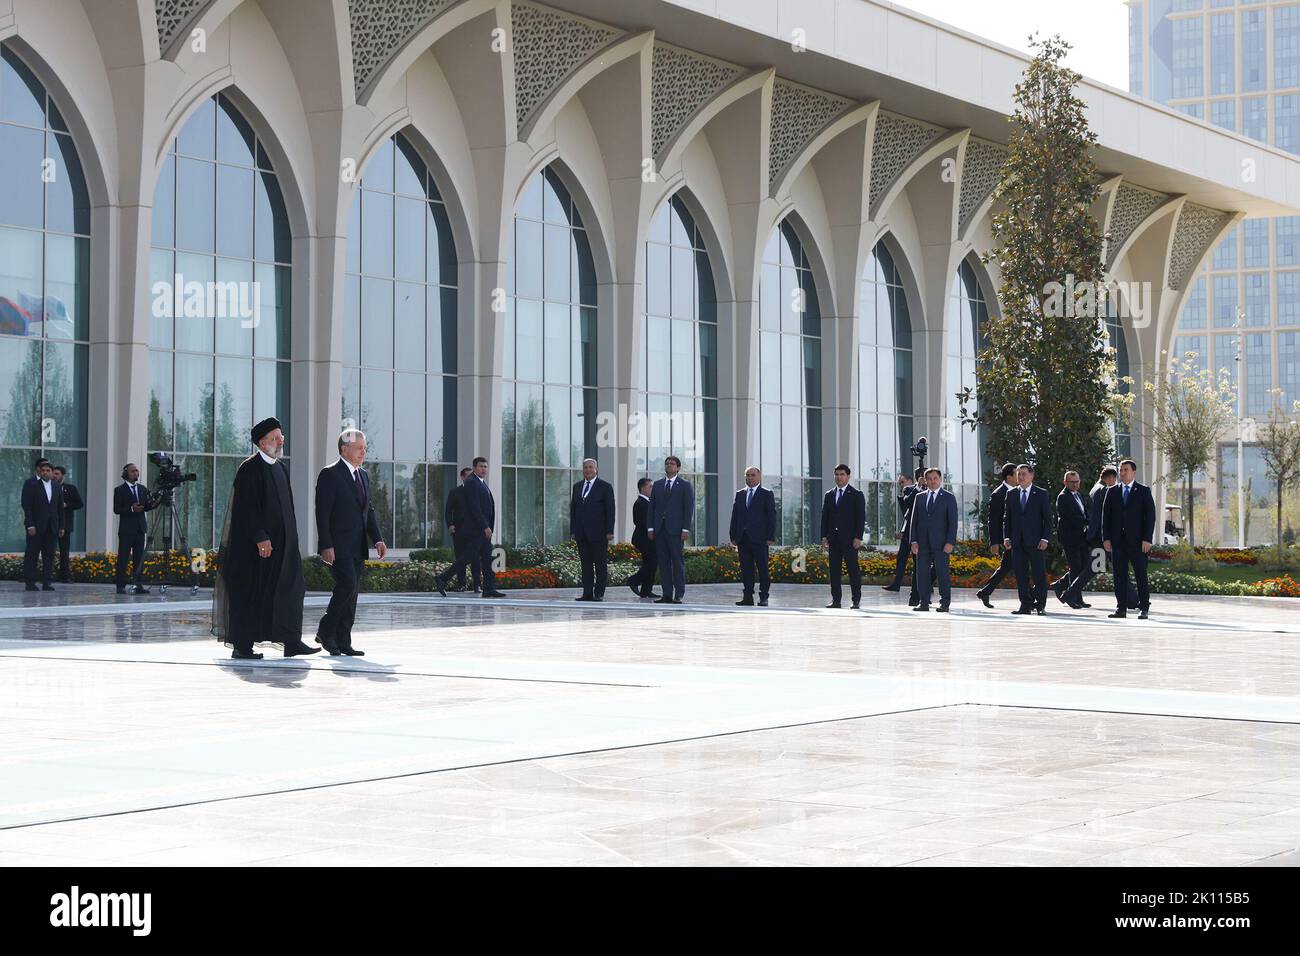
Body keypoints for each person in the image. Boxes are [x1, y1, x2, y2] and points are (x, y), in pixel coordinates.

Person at [212, 417, 319, 660]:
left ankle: (291, 641)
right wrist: (260, 537)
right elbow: (246, 509)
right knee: (252, 592)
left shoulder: (281, 468)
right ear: (262, 443)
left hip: (284, 546)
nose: (281, 441)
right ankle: (243, 646)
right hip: (255, 549)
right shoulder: (249, 469)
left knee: (291, 590)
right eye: (275, 438)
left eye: (281, 437)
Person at [314, 429, 388, 656]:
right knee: (346, 585)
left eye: (365, 448)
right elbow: (323, 512)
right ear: (344, 449)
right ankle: (326, 632)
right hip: (337, 545)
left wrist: (377, 539)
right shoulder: (330, 474)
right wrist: (326, 545)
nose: (363, 452)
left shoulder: (363, 475)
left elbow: (369, 511)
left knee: (352, 591)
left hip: (357, 546)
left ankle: (343, 640)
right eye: (359, 449)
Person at [1102, 458, 1156, 620]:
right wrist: (1106, 538)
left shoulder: (1143, 491)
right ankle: (1121, 608)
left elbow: (1150, 517)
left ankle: (1144, 607)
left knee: (1140, 575)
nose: (1122, 472)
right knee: (1119, 576)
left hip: (1138, 542)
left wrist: (1147, 539)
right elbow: (1106, 517)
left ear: (1133, 472)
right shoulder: (1112, 491)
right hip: (1118, 542)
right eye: (1121, 470)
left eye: (1126, 470)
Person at [1002, 463, 1052, 615]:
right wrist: (1007, 537)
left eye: (1024, 474)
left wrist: (1045, 538)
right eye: (1019, 474)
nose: (1021, 477)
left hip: (1036, 542)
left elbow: (1048, 519)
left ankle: (1040, 605)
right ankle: (1025, 604)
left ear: (1032, 475)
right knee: (1020, 574)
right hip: (1017, 542)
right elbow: (1007, 518)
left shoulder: (1041, 493)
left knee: (1038, 574)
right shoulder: (1011, 494)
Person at [1089, 466, 1139, 610]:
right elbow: (1106, 515)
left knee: (1092, 568)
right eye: (1115, 477)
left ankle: (1069, 590)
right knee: (1118, 568)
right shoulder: (1104, 490)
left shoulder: (1095, 488)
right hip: (1105, 536)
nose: (1115, 481)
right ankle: (1132, 600)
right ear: (1110, 478)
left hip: (1099, 534)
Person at [909, 467, 958, 612]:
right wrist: (913, 540)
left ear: (940, 479)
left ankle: (944, 603)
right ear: (925, 480)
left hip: (942, 543)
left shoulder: (948, 497)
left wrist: (950, 542)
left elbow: (953, 522)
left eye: (935, 478)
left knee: (942, 573)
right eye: (929, 479)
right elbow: (914, 520)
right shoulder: (920, 497)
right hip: (922, 543)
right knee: (922, 573)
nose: (932, 481)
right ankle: (924, 602)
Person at [648, 456, 693, 604]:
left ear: (678, 468)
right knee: (663, 563)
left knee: (677, 563)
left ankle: (678, 594)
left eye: (672, 464)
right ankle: (666, 594)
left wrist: (685, 529)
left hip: (676, 530)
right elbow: (652, 508)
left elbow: (688, 509)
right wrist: (650, 527)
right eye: (667, 463)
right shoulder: (658, 485)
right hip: (660, 530)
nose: (669, 465)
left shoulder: (685, 485)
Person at [729, 466, 776, 606]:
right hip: (743, 538)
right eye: (747, 475)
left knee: (762, 569)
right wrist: (733, 535)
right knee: (746, 569)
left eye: (753, 475)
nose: (750, 478)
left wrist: (770, 536)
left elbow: (771, 517)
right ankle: (748, 596)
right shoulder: (740, 494)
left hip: (760, 538)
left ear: (759, 476)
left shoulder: (766, 494)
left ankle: (763, 597)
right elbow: (735, 516)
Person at [820, 464, 866, 609]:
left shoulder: (856, 494)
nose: (839, 477)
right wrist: (824, 536)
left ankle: (856, 600)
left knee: (853, 571)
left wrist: (858, 537)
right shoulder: (829, 495)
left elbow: (860, 518)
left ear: (848, 476)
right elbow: (825, 517)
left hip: (850, 540)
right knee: (834, 572)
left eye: (842, 474)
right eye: (837, 474)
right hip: (833, 539)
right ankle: (836, 601)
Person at [570, 458, 615, 601]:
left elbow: (610, 510)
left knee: (600, 565)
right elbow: (573, 510)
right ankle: (587, 593)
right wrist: (573, 531)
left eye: (590, 467)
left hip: (599, 533)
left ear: (596, 469)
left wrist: (610, 530)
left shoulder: (605, 487)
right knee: (586, 565)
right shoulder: (577, 487)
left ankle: (599, 593)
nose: (588, 470)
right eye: (585, 467)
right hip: (582, 534)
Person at [975, 462, 1018, 609]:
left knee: (1008, 566)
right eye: (1016, 473)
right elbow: (993, 520)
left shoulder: (1018, 490)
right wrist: (994, 542)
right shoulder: (998, 494)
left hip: (1017, 537)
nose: (1020, 476)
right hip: (1008, 539)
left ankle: (985, 591)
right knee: (1013, 567)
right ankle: (1029, 599)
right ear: (1009, 477)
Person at [462, 456, 506, 598]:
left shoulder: (482, 483)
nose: (484, 469)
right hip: (478, 530)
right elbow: (475, 508)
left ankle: (489, 589)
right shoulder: (472, 482)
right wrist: (485, 526)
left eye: (485, 467)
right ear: (474, 468)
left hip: (484, 531)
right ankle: (443, 578)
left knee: (488, 559)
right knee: (467, 557)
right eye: (481, 466)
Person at [113, 463, 156, 594]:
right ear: (126, 473)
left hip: (139, 528)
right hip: (126, 530)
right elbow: (117, 509)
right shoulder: (119, 490)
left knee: (139, 558)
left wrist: (154, 503)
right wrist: (131, 508)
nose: (136, 473)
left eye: (137, 471)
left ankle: (138, 584)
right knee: (123, 558)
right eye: (133, 471)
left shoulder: (142, 489)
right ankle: (120, 585)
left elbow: (147, 506)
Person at [436, 468, 480, 595]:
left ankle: (477, 585)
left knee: (476, 558)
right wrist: (450, 525)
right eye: (468, 476)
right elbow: (448, 511)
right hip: (459, 530)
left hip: (475, 531)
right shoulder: (455, 492)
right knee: (461, 557)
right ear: (462, 477)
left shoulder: (477, 491)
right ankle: (461, 584)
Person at [1053, 470, 1093, 609]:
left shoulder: (1078, 495)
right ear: (1065, 482)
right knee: (1076, 567)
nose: (1075, 485)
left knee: (1083, 567)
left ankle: (1060, 586)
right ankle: (1074, 598)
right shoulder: (1063, 497)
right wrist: (1089, 522)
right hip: (1069, 538)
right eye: (1072, 482)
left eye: (1077, 482)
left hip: (1081, 537)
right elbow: (1072, 518)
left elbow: (1083, 512)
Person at [22, 458, 63, 592]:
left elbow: (59, 509)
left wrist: (61, 526)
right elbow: (27, 506)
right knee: (32, 555)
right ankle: (30, 582)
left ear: (52, 472)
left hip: (52, 527)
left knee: (49, 556)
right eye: (43, 470)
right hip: (36, 527)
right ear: (39, 471)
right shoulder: (31, 484)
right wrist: (30, 525)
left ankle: (47, 582)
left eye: (48, 470)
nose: (45, 473)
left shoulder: (56, 486)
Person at [883, 470, 919, 592]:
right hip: (907, 532)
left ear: (910, 481)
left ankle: (925, 586)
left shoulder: (919, 490)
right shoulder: (905, 495)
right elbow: (907, 513)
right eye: (900, 483)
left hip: (917, 533)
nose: (901, 485)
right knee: (901, 559)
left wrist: (918, 486)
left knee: (917, 560)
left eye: (903, 482)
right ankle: (896, 584)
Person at [626, 478, 659, 599]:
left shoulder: (648, 502)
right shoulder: (640, 503)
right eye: (650, 486)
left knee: (652, 564)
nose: (652, 488)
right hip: (643, 538)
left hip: (649, 538)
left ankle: (646, 590)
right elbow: (642, 522)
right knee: (651, 563)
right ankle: (634, 580)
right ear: (643, 488)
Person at [51, 465, 82, 583]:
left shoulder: (70, 488)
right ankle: (48, 575)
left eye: (57, 474)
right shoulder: (49, 488)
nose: (54, 476)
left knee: (64, 551)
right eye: (53, 473)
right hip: (51, 524)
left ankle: (65, 575)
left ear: (63, 476)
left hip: (65, 524)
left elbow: (79, 504)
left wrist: (67, 505)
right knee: (49, 550)